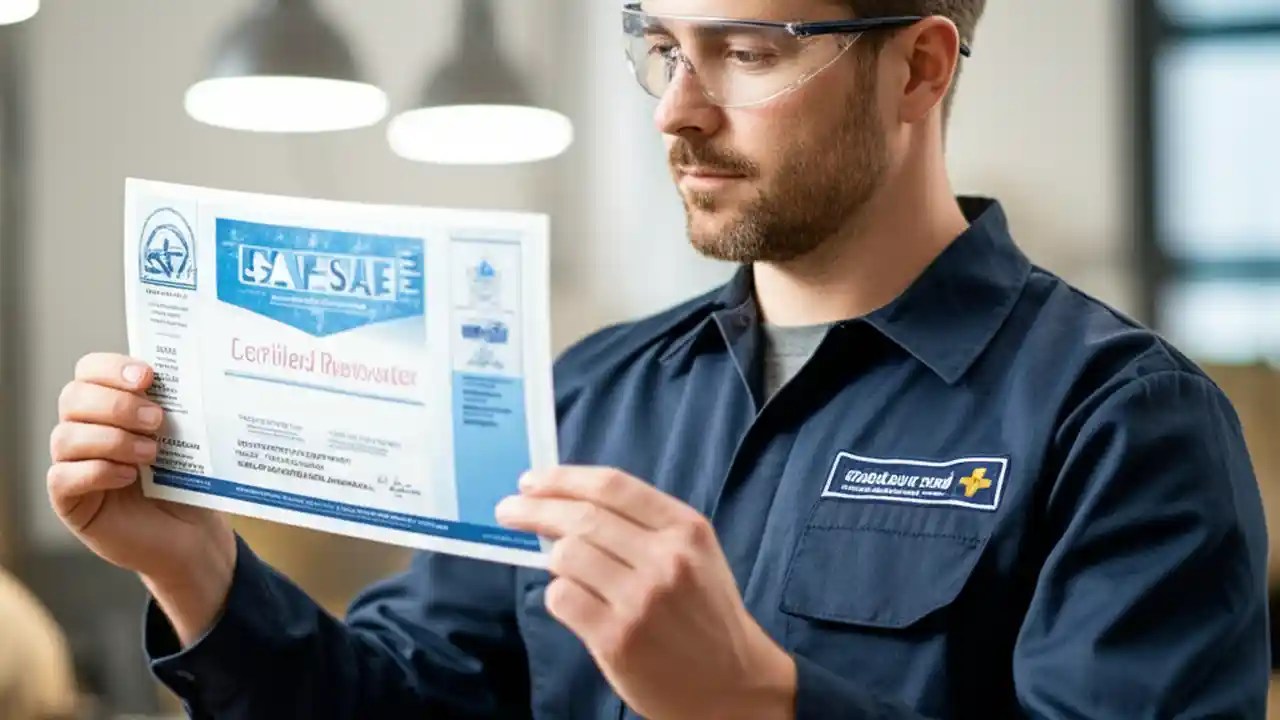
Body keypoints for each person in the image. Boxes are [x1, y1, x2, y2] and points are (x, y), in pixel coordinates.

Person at [46, 0, 1271, 717]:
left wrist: (757, 705)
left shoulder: (1122, 427)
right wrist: (199, 569)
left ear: (920, 65)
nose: (677, 109)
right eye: (661, 44)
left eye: (744, 51)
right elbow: (404, 700)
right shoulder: (584, 395)